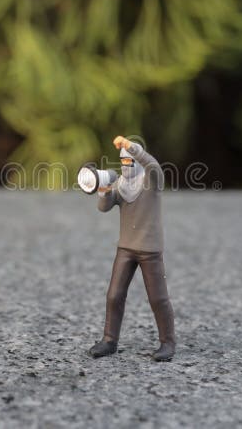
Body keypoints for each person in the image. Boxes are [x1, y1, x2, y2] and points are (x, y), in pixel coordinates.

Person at [89, 135, 176, 362]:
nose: (126, 166)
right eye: (123, 162)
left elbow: (153, 165)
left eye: (130, 161)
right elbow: (104, 207)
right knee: (114, 295)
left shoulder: (151, 181)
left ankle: (167, 342)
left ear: (137, 159)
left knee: (158, 298)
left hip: (149, 249)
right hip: (126, 248)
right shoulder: (121, 185)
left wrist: (131, 147)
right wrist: (103, 189)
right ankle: (110, 339)